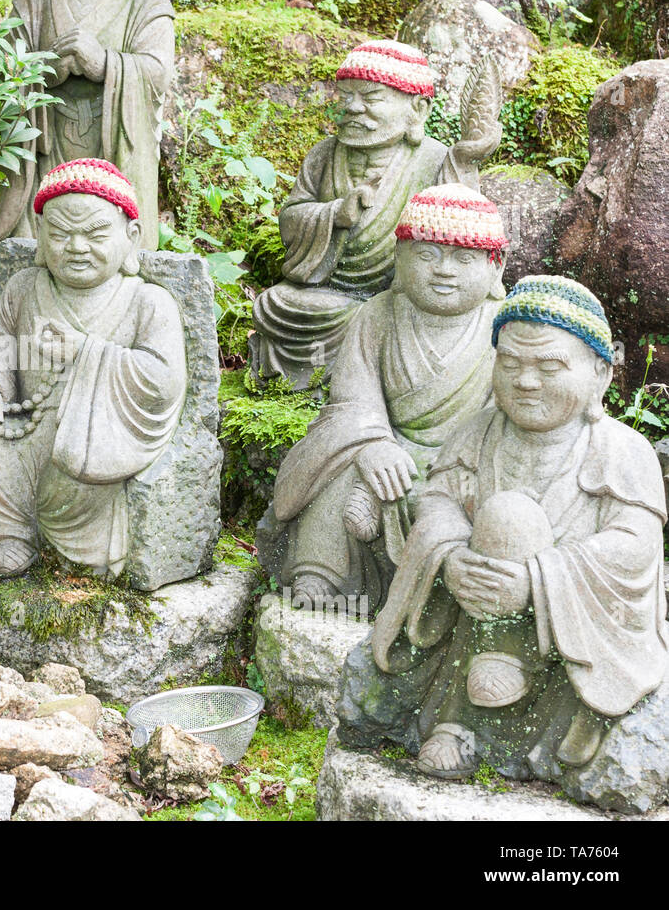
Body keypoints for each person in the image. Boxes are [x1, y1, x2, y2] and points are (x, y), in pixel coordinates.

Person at [355, 276, 668, 779]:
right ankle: (458, 719)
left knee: (510, 519)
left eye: (549, 367)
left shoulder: (621, 451)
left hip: (574, 628)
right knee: (499, 522)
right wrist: (451, 556)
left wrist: (539, 581)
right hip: (474, 609)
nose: (526, 381)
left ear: (601, 376)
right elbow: (437, 504)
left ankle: (518, 692)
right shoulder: (476, 434)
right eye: (511, 363)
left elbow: (635, 547)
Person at [0, 159, 186, 578]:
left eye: (95, 234)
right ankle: (10, 535)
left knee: (78, 466)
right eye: (60, 233)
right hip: (27, 425)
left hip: (97, 436)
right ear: (40, 237)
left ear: (132, 237)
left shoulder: (147, 302)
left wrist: (87, 353)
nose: (77, 247)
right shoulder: (24, 289)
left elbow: (164, 379)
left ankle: (73, 549)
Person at [260, 184, 509, 608]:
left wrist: (454, 461)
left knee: (472, 504)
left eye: (463, 258)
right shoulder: (376, 315)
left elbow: (504, 414)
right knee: (340, 463)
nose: (444, 271)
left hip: (462, 460)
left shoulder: (503, 329)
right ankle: (319, 574)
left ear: (495, 270)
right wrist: (373, 444)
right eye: (427, 255)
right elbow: (352, 399)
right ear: (399, 257)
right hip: (385, 445)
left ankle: (433, 593)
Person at [249, 40, 499, 389]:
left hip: (393, 297)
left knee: (384, 319)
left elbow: (461, 230)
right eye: (345, 97)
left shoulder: (435, 160)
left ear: (418, 109)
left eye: (371, 97)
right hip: (327, 294)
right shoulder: (323, 155)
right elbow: (291, 218)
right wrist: (335, 213)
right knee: (272, 304)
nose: (352, 108)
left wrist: (465, 162)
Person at [0, 0, 173, 249]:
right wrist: (44, 70)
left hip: (112, 152)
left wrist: (105, 64)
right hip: (45, 149)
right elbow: (2, 74)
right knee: (32, 241)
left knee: (111, 237)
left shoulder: (146, 1)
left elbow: (157, 73)